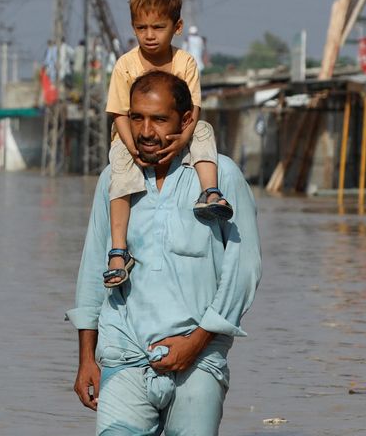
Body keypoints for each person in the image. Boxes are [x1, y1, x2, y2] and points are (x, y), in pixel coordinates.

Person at [69, 70, 261, 435]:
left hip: (199, 362)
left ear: (186, 120)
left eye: (159, 119)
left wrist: (196, 343)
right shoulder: (115, 180)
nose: (145, 131)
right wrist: (85, 359)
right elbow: (93, 266)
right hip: (124, 355)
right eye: (137, 117)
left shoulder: (221, 178)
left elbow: (243, 271)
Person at [103, 0, 231, 289]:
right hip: (129, 138)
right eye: (141, 27)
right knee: (119, 171)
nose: (149, 35)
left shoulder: (184, 62)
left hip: (178, 134)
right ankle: (118, 252)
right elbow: (119, 112)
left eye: (157, 27)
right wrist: (133, 147)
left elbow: (194, 108)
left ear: (177, 27)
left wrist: (183, 139)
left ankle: (210, 192)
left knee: (204, 130)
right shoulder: (126, 65)